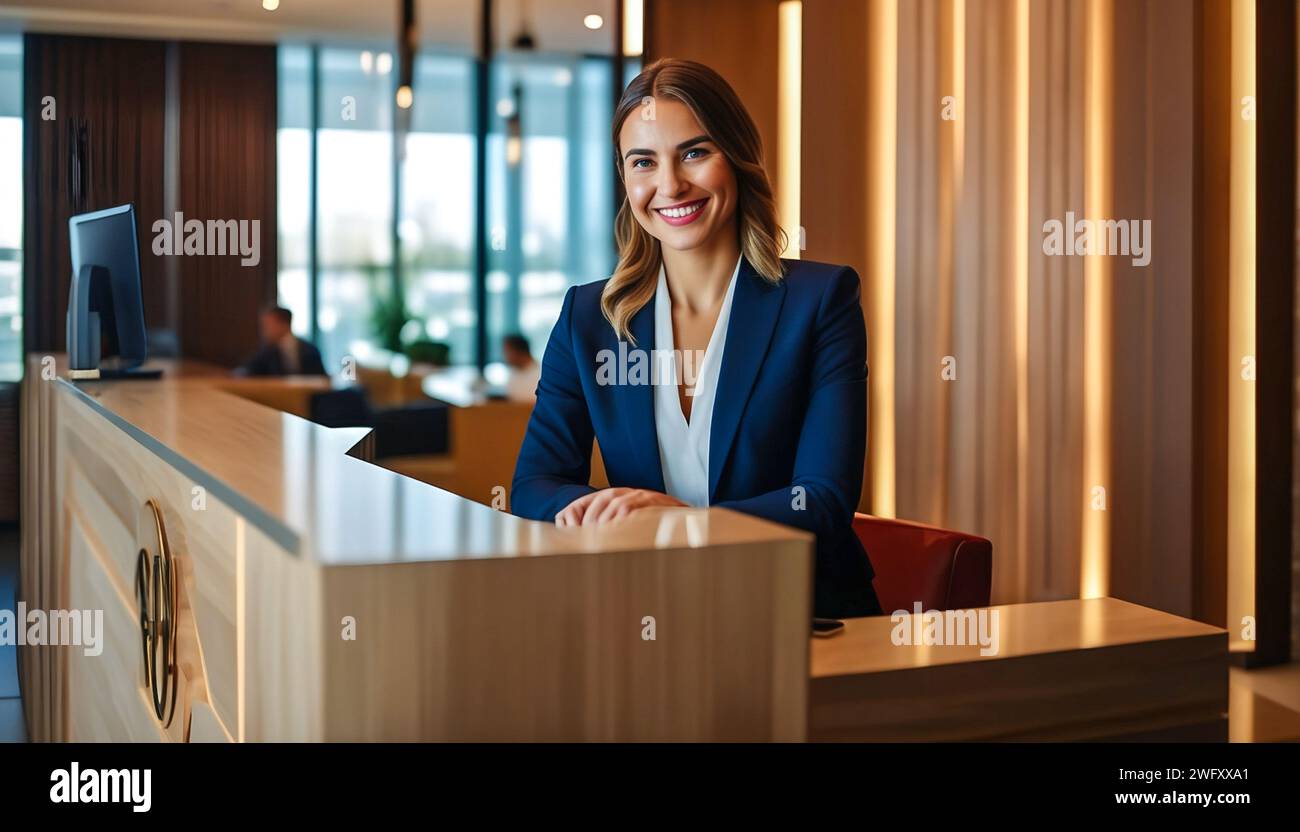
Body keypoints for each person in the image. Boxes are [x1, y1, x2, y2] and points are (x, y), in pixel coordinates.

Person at [510, 59, 880, 619]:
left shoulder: (821, 301)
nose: (670, 185)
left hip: (801, 615)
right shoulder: (589, 317)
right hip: (650, 612)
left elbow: (823, 500)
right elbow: (536, 485)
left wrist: (680, 523)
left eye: (694, 152)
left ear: (736, 156)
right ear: (625, 178)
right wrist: (610, 512)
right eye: (644, 162)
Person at [235, 306, 327, 377]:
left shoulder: (310, 350)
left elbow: (322, 379)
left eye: (267, 325)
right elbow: (247, 370)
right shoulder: (266, 352)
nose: (263, 331)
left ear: (283, 324)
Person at [501, 333, 541, 403]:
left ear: (517, 352)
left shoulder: (541, 374)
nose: (504, 356)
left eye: (507, 351)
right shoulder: (513, 373)